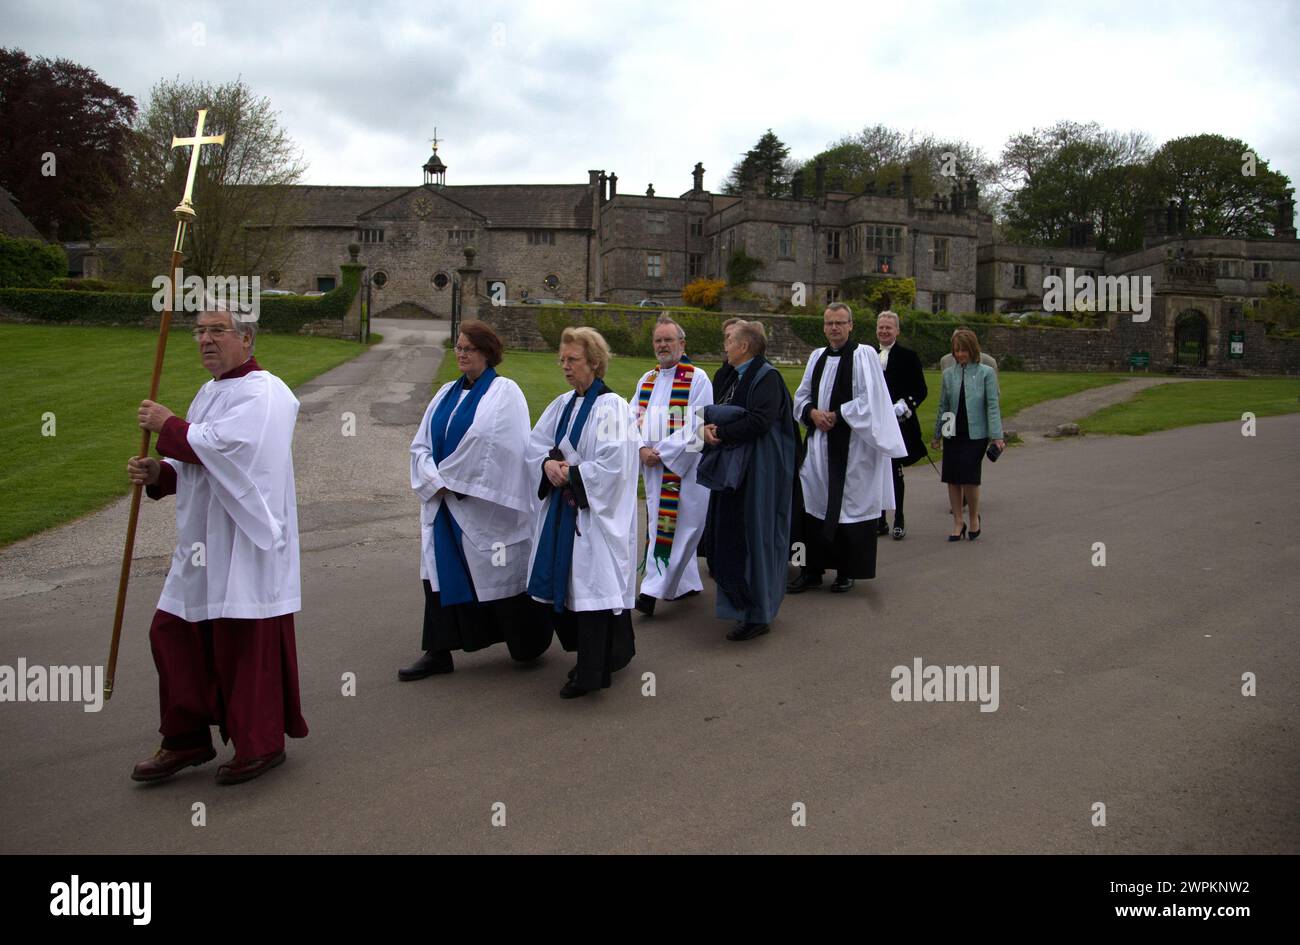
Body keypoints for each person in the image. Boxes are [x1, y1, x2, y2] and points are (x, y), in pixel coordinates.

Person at [126, 305, 307, 786]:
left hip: (246, 540)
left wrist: (168, 426)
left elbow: (231, 453)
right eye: (199, 331)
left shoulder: (267, 393)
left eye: (217, 331)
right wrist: (160, 474)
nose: (206, 339)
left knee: (243, 642)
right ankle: (185, 738)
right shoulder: (211, 392)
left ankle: (261, 744)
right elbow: (202, 465)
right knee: (171, 631)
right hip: (202, 544)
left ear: (247, 338)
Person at [399, 321, 550, 681]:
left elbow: (495, 445)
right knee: (438, 574)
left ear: (487, 352)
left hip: (484, 507)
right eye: (458, 347)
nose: (462, 354)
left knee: (499, 578)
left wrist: (450, 481)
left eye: (469, 348)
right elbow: (420, 444)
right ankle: (438, 651)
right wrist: (434, 481)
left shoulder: (504, 391)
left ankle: (529, 641)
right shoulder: (445, 394)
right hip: (444, 504)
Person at [526, 327, 638, 698]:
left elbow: (613, 467)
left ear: (594, 362)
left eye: (573, 360)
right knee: (575, 588)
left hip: (593, 519)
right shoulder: (561, 404)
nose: (565, 367)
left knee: (594, 591)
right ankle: (602, 660)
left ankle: (593, 673)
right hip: (563, 515)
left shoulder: (612, 408)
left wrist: (570, 473)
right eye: (562, 360)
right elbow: (536, 444)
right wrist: (546, 465)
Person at [789, 303, 907, 594]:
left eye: (840, 323)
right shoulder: (817, 356)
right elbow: (801, 396)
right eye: (829, 323)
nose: (834, 328)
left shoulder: (863, 355)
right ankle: (811, 569)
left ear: (851, 325)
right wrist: (812, 413)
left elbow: (872, 400)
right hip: (818, 446)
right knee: (812, 503)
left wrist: (838, 414)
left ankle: (847, 570)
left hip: (853, 448)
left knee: (847, 507)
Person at [699, 320, 797, 640]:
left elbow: (758, 421)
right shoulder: (736, 375)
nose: (725, 345)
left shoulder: (767, 377)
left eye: (729, 340)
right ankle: (742, 607)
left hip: (757, 476)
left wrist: (720, 432)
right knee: (735, 538)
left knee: (755, 540)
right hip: (738, 472)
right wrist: (708, 429)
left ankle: (758, 614)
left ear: (744, 347)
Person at [632, 316, 713, 616]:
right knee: (661, 527)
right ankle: (686, 583)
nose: (663, 345)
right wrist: (640, 447)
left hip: (683, 470)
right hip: (652, 469)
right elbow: (631, 418)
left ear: (682, 344)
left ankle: (650, 591)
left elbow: (698, 425)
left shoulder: (697, 378)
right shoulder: (647, 379)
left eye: (669, 340)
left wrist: (663, 453)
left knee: (678, 528)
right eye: (658, 340)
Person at [931, 329, 1005, 541]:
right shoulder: (948, 374)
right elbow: (943, 405)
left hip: (977, 433)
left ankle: (973, 517)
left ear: (972, 350)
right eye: (957, 350)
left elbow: (992, 406)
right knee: (952, 478)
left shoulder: (986, 373)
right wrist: (938, 435)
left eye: (964, 350)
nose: (960, 354)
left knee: (970, 478)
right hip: (953, 432)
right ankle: (957, 522)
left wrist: (997, 436)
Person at [875, 310, 929, 540]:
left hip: (899, 423)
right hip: (874, 424)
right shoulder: (866, 354)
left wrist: (904, 405)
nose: (884, 331)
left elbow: (920, 389)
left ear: (897, 330)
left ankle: (899, 518)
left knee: (895, 472)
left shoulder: (908, 356)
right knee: (875, 472)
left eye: (889, 327)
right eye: (881, 327)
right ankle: (879, 520)